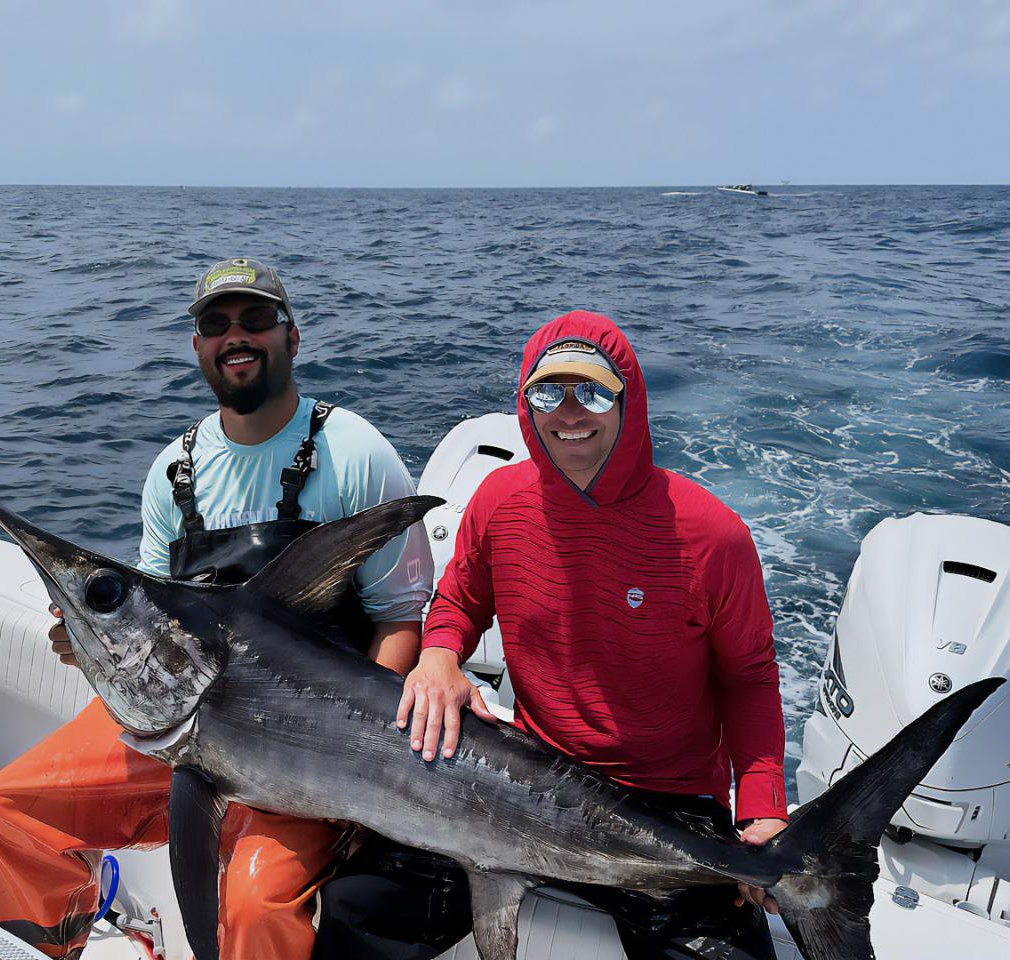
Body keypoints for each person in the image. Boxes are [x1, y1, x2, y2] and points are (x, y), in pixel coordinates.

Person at [0, 258, 433, 960]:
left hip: (309, 741)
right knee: (8, 808)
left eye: (255, 319)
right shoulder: (170, 471)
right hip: (181, 732)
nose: (235, 336)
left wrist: (363, 766)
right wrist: (89, 642)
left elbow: (400, 620)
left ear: (291, 338)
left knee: (255, 906)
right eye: (216, 324)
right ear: (198, 347)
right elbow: (150, 626)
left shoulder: (355, 453)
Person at [316, 309, 787, 960]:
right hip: (530, 777)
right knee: (355, 908)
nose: (570, 413)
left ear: (630, 401)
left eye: (593, 391)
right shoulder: (499, 501)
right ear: (524, 403)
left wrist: (762, 803)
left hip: (669, 805)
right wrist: (440, 653)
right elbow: (457, 596)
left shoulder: (712, 537)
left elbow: (751, 680)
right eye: (549, 392)